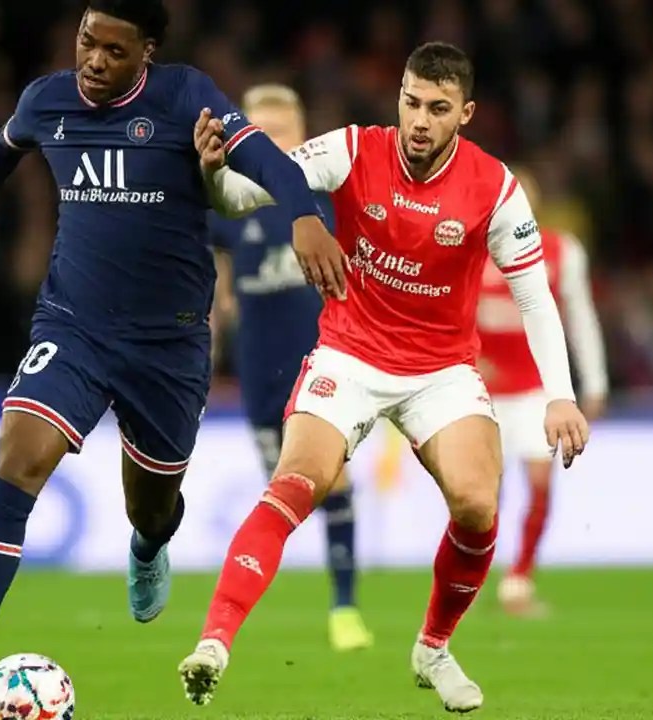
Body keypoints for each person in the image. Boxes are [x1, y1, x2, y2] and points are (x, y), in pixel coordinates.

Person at [0, 1, 342, 717]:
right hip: (73, 326)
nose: (95, 62)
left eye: (114, 50)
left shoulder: (185, 96)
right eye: (86, 43)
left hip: (168, 344)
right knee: (19, 456)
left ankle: (148, 543)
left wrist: (300, 216)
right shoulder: (46, 100)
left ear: (147, 53)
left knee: (154, 501)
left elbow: (265, 158)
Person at [179, 41, 589, 713]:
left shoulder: (496, 188)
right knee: (295, 483)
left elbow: (533, 296)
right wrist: (214, 173)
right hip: (349, 353)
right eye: (410, 102)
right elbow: (238, 197)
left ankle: (432, 647)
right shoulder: (350, 150)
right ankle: (214, 643)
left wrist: (560, 397)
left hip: (442, 371)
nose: (420, 120)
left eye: (437, 108)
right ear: (397, 96)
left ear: (466, 113)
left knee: (479, 506)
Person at [208, 83, 373, 652]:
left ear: (303, 136)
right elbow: (215, 284)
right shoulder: (227, 208)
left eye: (280, 132)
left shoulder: (327, 199)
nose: (270, 144)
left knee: (331, 481)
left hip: (322, 365)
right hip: (258, 369)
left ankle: (345, 608)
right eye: (258, 133)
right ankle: (249, 600)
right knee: (282, 493)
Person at [475, 168, 608, 616]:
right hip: (481, 394)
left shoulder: (561, 251)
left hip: (536, 391)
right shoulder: (472, 250)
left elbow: (581, 317)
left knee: (538, 485)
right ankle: (471, 580)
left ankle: (519, 580)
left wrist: (594, 381)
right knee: (481, 496)